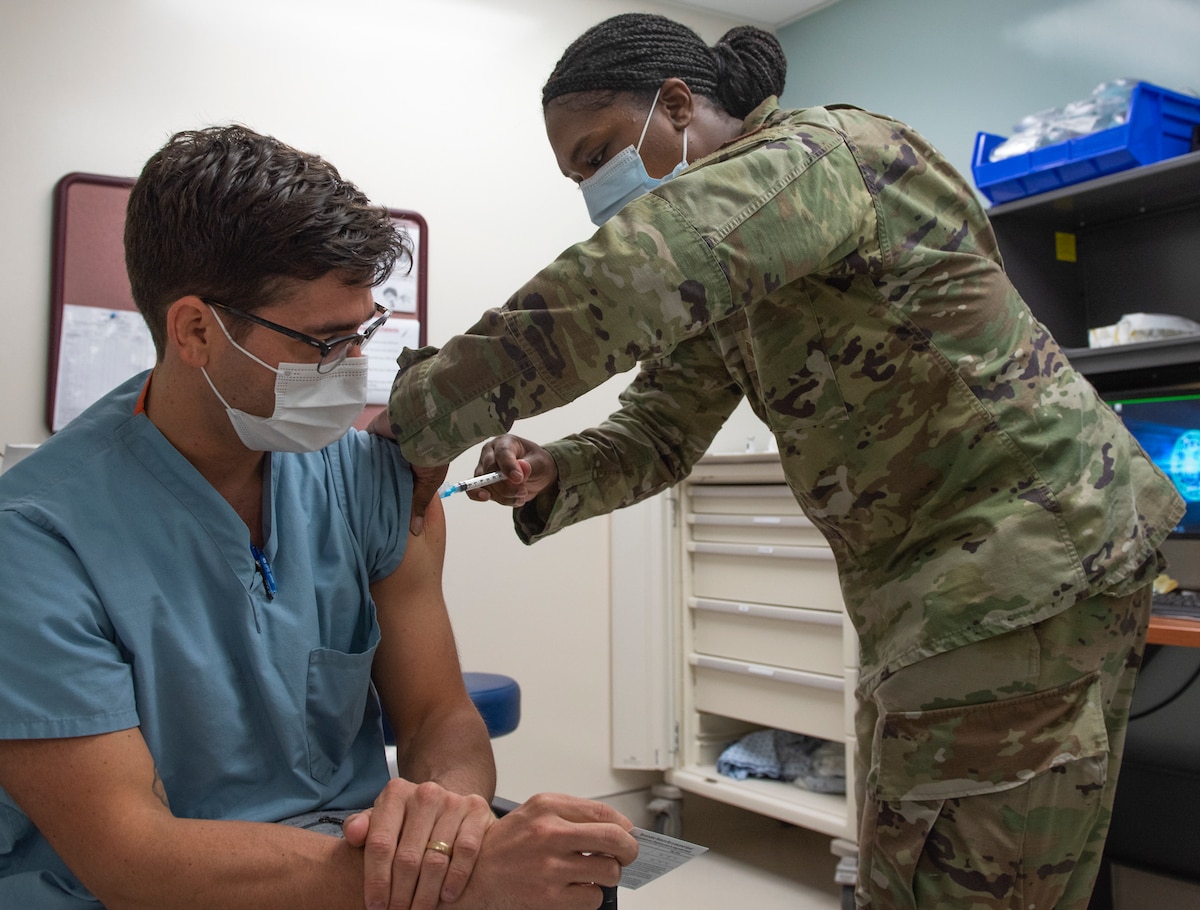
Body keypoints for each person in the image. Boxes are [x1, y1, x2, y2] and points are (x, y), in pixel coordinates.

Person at [376, 13, 1186, 910]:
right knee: (951, 866)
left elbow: (623, 282)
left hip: (1017, 564)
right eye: (576, 175)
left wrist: (413, 417)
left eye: (597, 154)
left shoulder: (821, 160)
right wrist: (554, 468)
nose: (595, 189)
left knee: (946, 883)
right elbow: (660, 431)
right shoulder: (736, 269)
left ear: (676, 105)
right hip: (971, 583)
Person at [0, 124, 636, 910]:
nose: (354, 370)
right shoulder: (36, 541)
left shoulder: (374, 481)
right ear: (196, 330)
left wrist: (447, 829)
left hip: (354, 859)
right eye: (324, 343)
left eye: (362, 334)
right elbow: (133, 857)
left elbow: (438, 717)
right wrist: (443, 879)